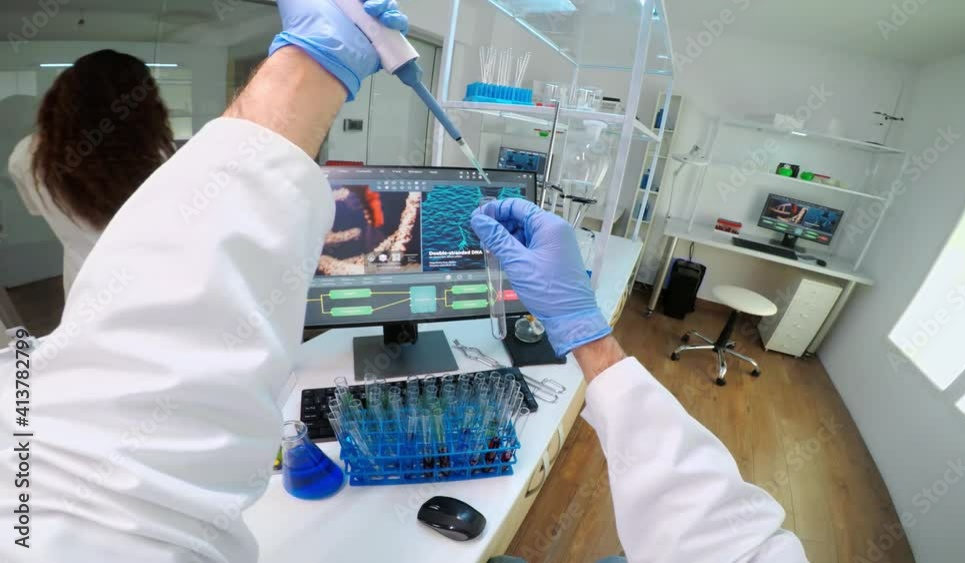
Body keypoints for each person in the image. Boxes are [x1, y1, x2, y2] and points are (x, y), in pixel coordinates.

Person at [0, 0, 808, 562]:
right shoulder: (167, 176)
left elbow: (95, 460)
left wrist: (308, 68)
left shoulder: (28, 165)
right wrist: (589, 338)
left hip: (98, 311)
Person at [7, 50, 176, 297]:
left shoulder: (26, 156)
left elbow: (36, 208)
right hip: (156, 284)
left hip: (86, 292)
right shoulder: (159, 153)